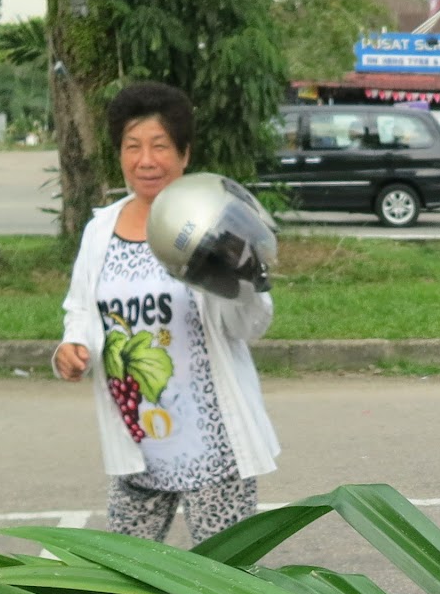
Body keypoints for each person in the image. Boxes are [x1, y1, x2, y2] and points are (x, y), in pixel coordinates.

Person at [54, 81, 278, 543]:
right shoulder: (100, 230)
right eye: (132, 146)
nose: (146, 160)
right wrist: (70, 347)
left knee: (226, 587)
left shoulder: (214, 222)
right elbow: (80, 308)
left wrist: (240, 278)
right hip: (139, 448)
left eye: (160, 146)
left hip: (216, 453)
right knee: (123, 583)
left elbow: (249, 325)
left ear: (184, 155)